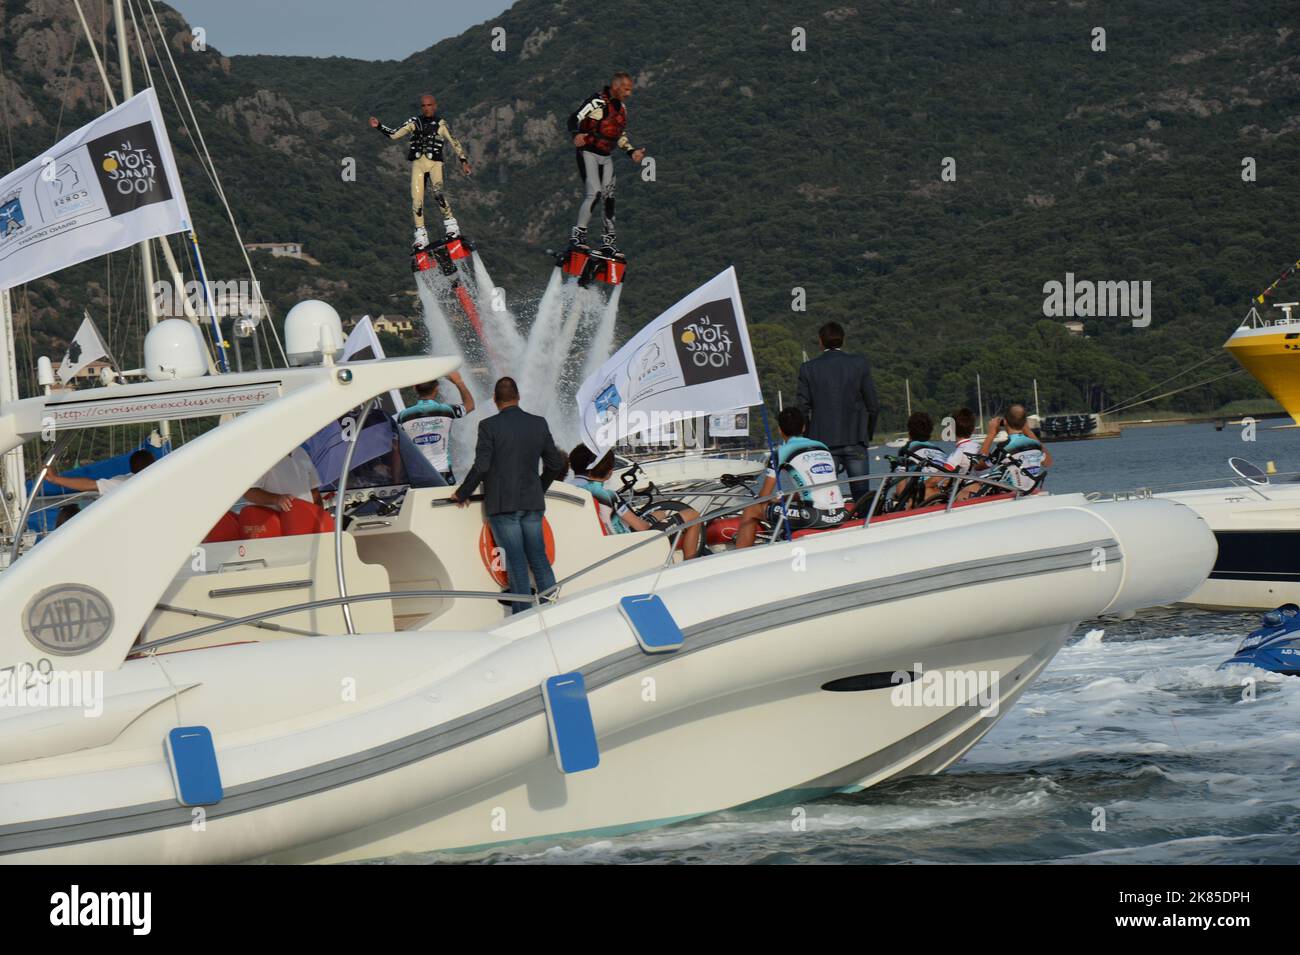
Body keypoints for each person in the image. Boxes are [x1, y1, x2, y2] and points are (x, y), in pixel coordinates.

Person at [452, 377, 567, 614]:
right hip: (532, 503)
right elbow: (555, 463)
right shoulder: (538, 423)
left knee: (515, 563)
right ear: (518, 397)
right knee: (539, 558)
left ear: (495, 400)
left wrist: (463, 493)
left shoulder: (488, 426)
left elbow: (482, 466)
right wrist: (539, 487)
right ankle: (555, 613)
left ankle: (523, 618)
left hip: (503, 505)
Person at [369, 94, 473, 249]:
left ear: (435, 106)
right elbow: (394, 134)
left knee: (438, 193)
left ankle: (451, 225)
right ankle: (420, 234)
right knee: (416, 200)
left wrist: (463, 161)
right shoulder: (413, 122)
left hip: (434, 164)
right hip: (418, 164)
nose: (426, 108)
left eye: (429, 105)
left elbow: (454, 142)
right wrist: (379, 126)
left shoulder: (441, 124)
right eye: (423, 106)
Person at [567, 444, 704, 558]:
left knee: (660, 514)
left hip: (595, 544)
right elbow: (642, 528)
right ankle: (689, 562)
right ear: (609, 472)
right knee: (692, 515)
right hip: (628, 547)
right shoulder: (608, 495)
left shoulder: (568, 488)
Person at [736, 407, 846, 547]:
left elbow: (764, 495)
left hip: (816, 517)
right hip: (841, 514)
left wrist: (770, 501)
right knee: (789, 503)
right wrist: (784, 498)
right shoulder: (822, 446)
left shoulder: (780, 453)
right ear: (804, 427)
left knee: (752, 509)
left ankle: (741, 561)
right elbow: (815, 487)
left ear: (780, 430)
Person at [796, 321, 880, 502]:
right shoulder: (859, 364)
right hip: (855, 438)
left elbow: (802, 408)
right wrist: (866, 434)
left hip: (822, 443)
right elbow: (873, 406)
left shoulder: (808, 368)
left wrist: (810, 437)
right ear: (843, 339)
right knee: (862, 496)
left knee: (824, 496)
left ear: (820, 341)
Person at [567, 71, 647, 256]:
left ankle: (608, 242)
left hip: (606, 156)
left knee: (609, 197)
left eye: (630, 90)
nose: (628, 93)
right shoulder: (597, 101)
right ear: (616, 86)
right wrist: (575, 134)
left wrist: (631, 151)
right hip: (588, 153)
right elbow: (574, 117)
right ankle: (578, 236)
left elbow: (618, 135)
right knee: (594, 192)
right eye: (626, 89)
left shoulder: (622, 110)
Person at [397, 371, 475, 484]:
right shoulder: (446, 410)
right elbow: (470, 405)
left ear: (414, 388)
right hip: (442, 472)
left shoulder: (403, 416)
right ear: (437, 388)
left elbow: (398, 448)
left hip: (417, 474)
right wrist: (459, 382)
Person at [981, 404, 1052, 493]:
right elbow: (1047, 462)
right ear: (1024, 422)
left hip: (1010, 493)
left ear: (1005, 422)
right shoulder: (1036, 445)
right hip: (1030, 491)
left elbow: (979, 466)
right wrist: (1028, 431)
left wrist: (991, 434)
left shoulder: (1003, 447)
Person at [43, 448, 154, 498]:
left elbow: (90, 485)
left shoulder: (123, 483)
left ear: (131, 467)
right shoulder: (160, 481)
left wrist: (55, 479)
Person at [245, 446, 323, 512]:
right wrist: (277, 499)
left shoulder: (302, 452)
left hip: (306, 521)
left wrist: (321, 516)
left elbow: (314, 490)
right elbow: (249, 492)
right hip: (276, 525)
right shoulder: (261, 455)